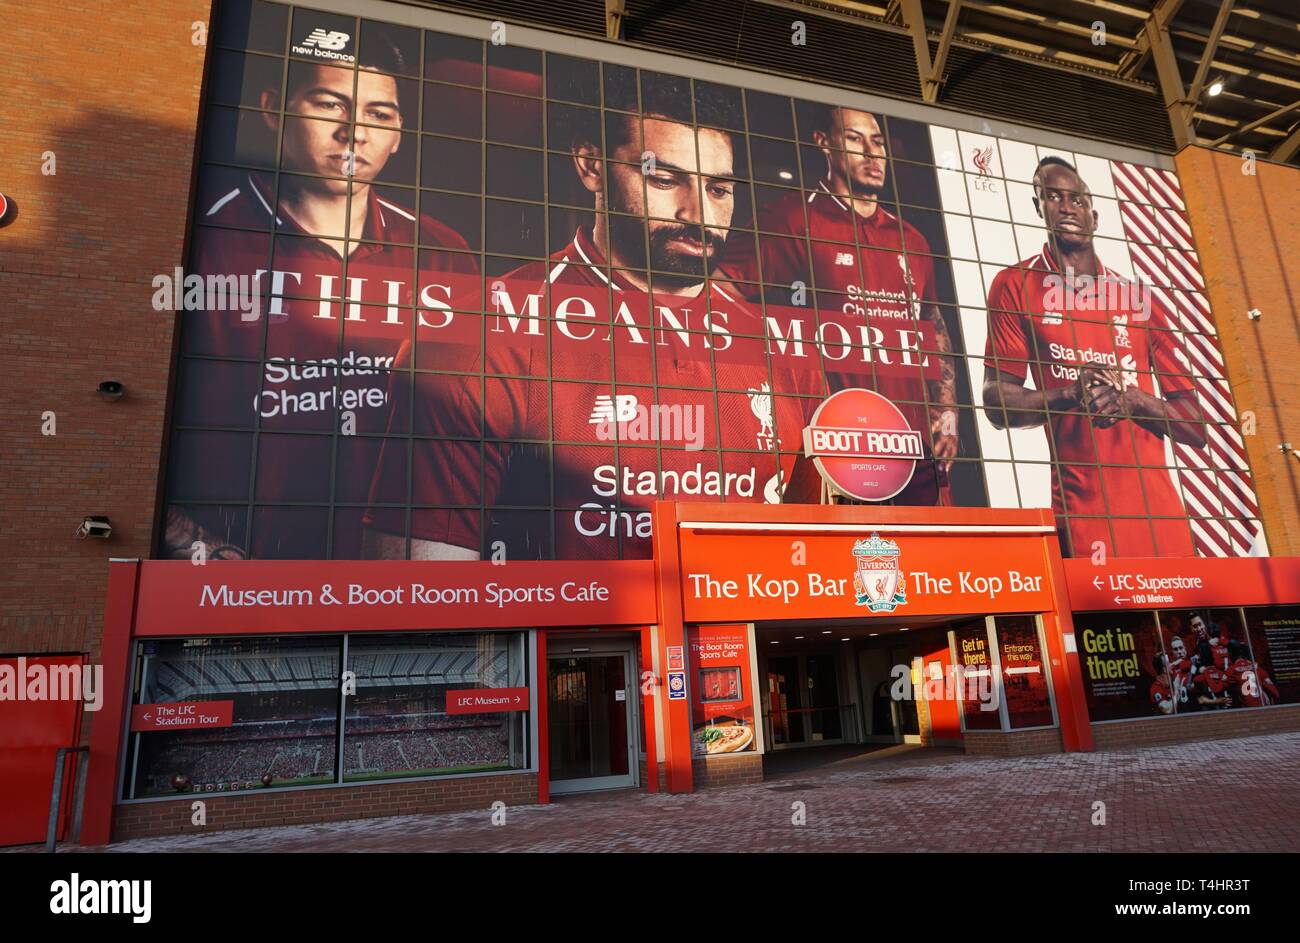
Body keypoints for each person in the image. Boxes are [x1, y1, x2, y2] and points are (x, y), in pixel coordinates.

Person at [364, 74, 806, 559]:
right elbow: (425, 599)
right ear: (592, 166)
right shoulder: (479, 332)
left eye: (719, 189)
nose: (696, 212)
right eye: (663, 179)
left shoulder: (780, 346)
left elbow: (813, 555)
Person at [165, 35, 476, 559]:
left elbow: (470, 425)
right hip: (242, 575)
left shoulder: (442, 252)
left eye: (379, 113)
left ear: (398, 134)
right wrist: (186, 540)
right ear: (273, 110)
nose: (354, 131)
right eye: (331, 103)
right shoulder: (204, 235)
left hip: (392, 569)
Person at [720, 106, 959, 505]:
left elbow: (931, 326)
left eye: (878, 142)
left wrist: (947, 410)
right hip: (837, 449)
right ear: (823, 143)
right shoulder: (792, 220)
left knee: (925, 565)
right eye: (854, 138)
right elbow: (718, 295)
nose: (871, 153)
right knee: (855, 563)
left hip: (916, 451)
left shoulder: (912, 240)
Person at [981, 156, 1206, 558]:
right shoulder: (1013, 285)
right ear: (1038, 208)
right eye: (1053, 197)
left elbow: (1195, 428)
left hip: (1162, 522)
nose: (1066, 207)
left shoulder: (1140, 300)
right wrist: (1071, 394)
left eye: (1077, 200)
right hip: (1081, 521)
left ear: (1095, 217)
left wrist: (1132, 399)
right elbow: (997, 404)